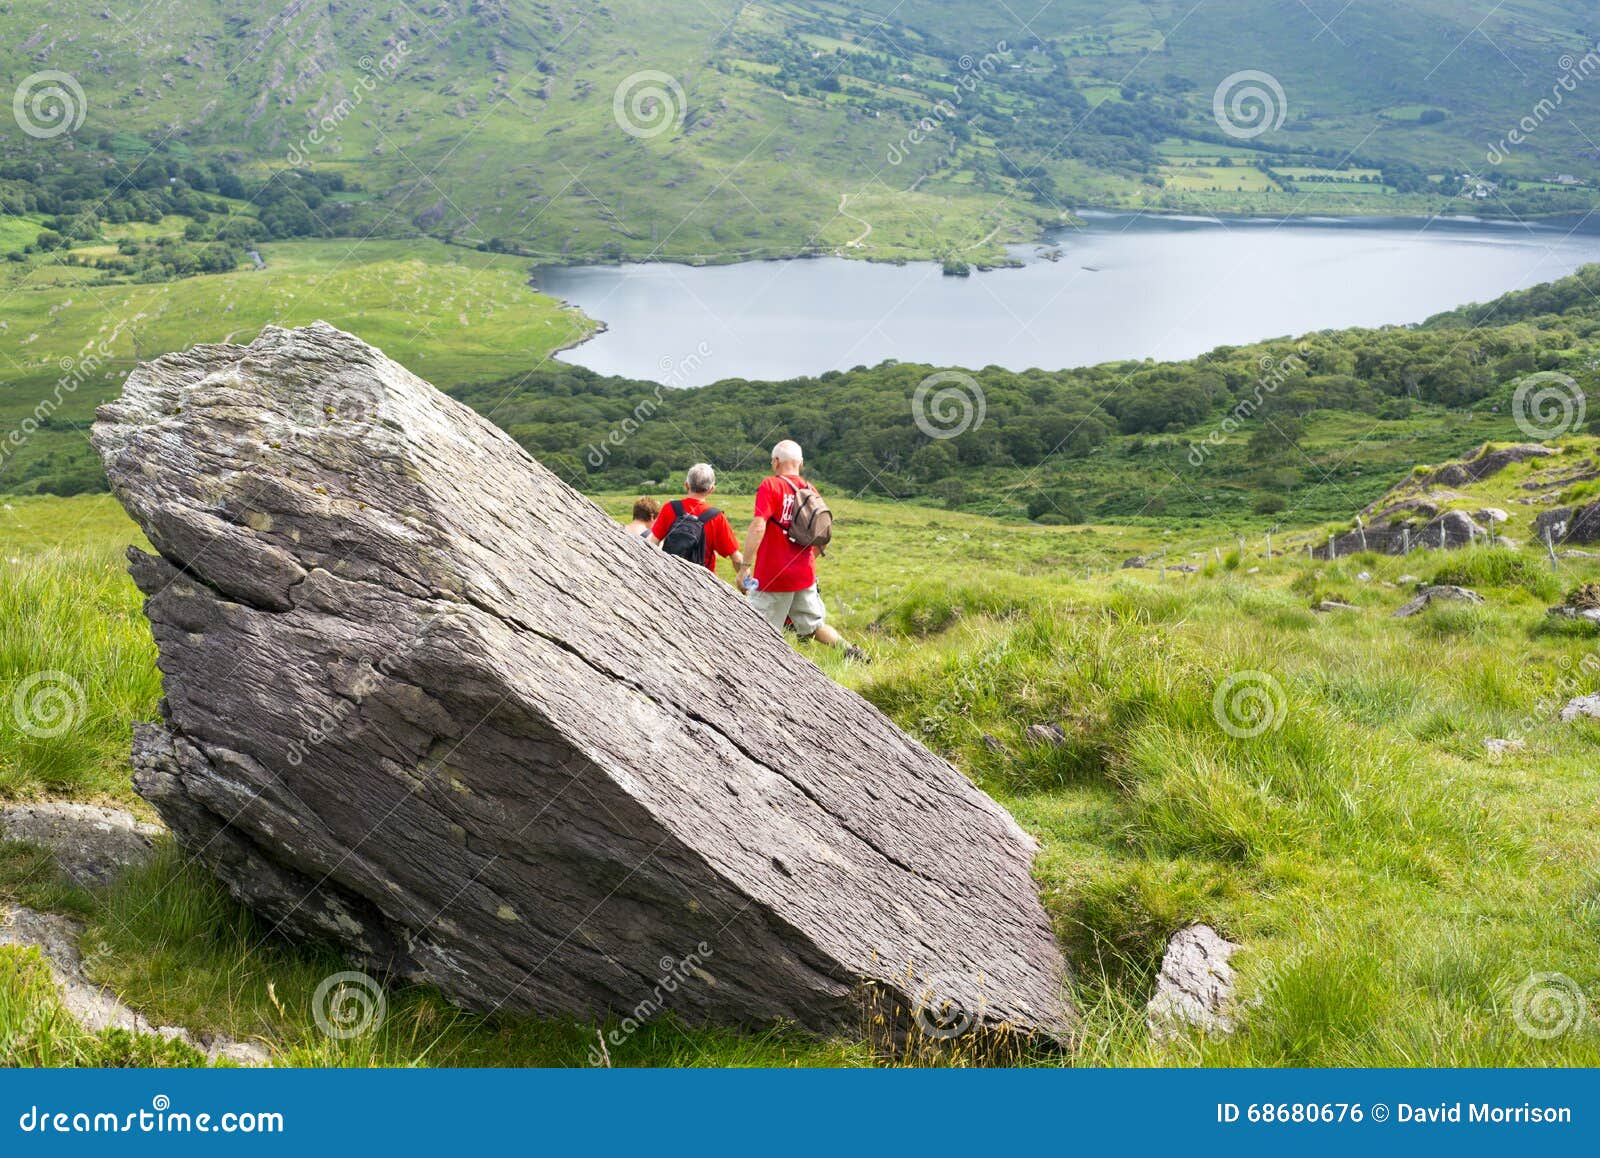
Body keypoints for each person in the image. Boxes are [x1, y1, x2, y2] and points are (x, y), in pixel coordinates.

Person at [736, 440, 867, 661]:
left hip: (773, 575)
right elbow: (824, 533)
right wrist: (806, 559)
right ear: (801, 463)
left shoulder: (770, 485)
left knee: (753, 627)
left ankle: (756, 669)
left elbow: (758, 526)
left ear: (776, 462)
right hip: (804, 575)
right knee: (815, 626)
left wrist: (744, 567)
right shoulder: (809, 489)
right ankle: (853, 654)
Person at [652, 463, 744, 575]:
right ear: (711, 489)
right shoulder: (717, 517)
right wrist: (743, 581)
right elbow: (737, 558)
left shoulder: (670, 508)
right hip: (702, 582)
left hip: (670, 575)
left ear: (686, 485)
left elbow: (652, 542)